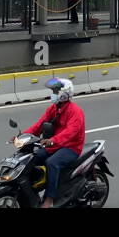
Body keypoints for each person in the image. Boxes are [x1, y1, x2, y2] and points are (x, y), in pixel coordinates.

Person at [21, 79, 85, 208]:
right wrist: (22, 137)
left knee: (52, 163)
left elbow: (70, 133)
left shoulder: (75, 112)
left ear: (64, 93)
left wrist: (52, 140)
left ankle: (49, 199)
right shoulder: (53, 109)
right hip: (55, 145)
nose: (53, 93)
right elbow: (39, 126)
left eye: (55, 91)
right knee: (32, 158)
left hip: (71, 147)